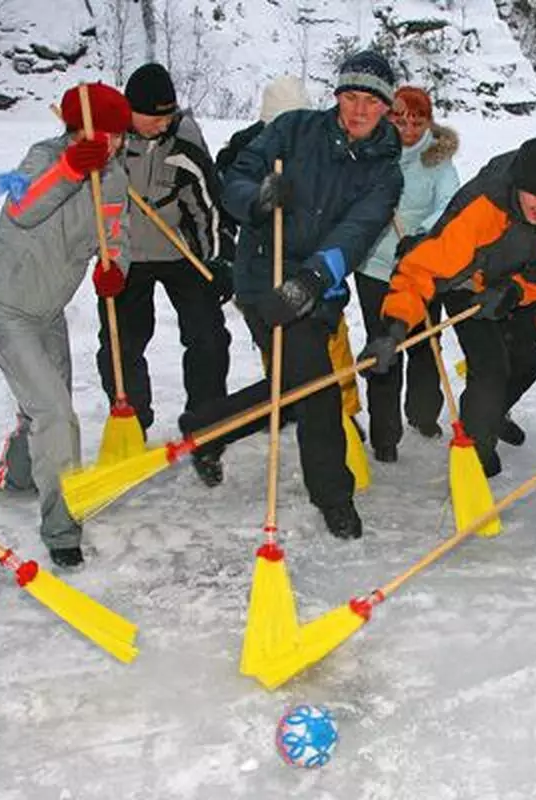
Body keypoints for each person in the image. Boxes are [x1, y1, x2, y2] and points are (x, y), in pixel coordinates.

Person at [181, 50, 403, 539]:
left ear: (387, 107)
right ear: (337, 97)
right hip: (263, 275)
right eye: (350, 96)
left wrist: (313, 281)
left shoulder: (387, 172)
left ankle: (208, 427)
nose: (359, 109)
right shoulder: (293, 130)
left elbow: (356, 233)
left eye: (371, 100)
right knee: (317, 388)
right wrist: (257, 199)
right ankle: (334, 498)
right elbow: (234, 178)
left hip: (317, 285)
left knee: (295, 385)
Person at [0, 82, 132, 568]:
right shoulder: (43, 159)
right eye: (102, 134)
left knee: (42, 410)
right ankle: (62, 526)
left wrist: (115, 270)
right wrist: (68, 171)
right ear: (75, 129)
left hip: (47, 312)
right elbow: (21, 210)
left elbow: (116, 235)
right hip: (2, 305)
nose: (112, 144)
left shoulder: (115, 178)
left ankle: (15, 476)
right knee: (56, 415)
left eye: (119, 136)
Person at [361, 136, 536, 477]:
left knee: (527, 364)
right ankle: (475, 451)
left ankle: (487, 418)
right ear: (519, 184)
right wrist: (395, 327)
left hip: (511, 288)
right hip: (466, 285)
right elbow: (421, 270)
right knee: (490, 371)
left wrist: (516, 292)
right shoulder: (480, 210)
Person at [98, 62, 232, 488]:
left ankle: (206, 431)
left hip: (180, 253)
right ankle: (132, 424)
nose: (160, 124)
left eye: (167, 116)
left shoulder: (185, 143)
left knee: (208, 338)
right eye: (151, 116)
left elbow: (209, 207)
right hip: (123, 258)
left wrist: (217, 260)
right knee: (121, 344)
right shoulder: (109, 141)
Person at [215, 75, 365, 434]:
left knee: (334, 340)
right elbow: (231, 195)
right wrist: (260, 199)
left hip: (314, 267)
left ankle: (343, 415)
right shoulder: (247, 153)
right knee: (282, 351)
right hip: (263, 270)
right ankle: (281, 408)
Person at [356, 85, 460, 460]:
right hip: (375, 267)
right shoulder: (370, 152)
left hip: (419, 267)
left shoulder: (437, 160)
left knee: (423, 343)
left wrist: (420, 237)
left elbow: (450, 203)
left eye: (417, 122)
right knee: (383, 348)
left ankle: (423, 413)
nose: (408, 130)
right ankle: (385, 436)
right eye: (400, 120)